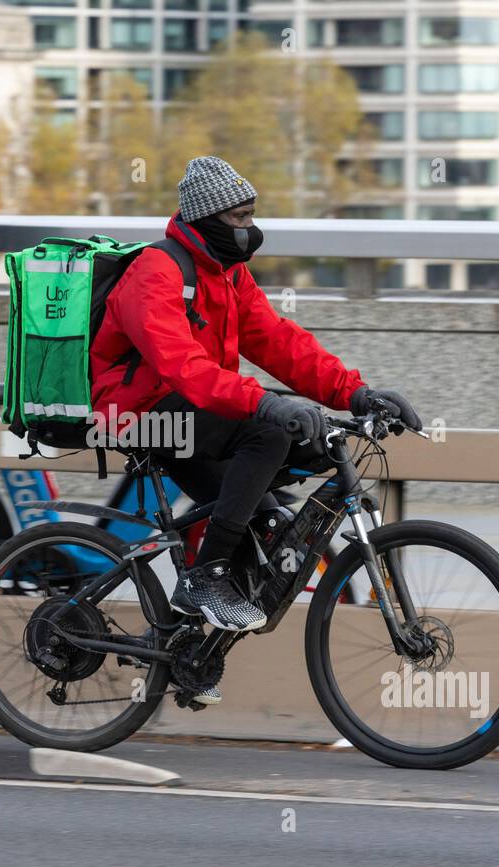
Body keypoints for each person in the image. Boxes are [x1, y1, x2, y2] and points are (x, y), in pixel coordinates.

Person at [92, 156, 422, 703]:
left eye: (252, 217)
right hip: (137, 413)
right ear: (207, 219)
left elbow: (279, 343)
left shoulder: (229, 276)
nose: (251, 231)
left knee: (288, 476)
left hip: (189, 410)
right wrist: (264, 406)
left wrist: (356, 393)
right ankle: (204, 578)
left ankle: (186, 648)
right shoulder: (157, 272)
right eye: (240, 219)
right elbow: (183, 369)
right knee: (266, 432)